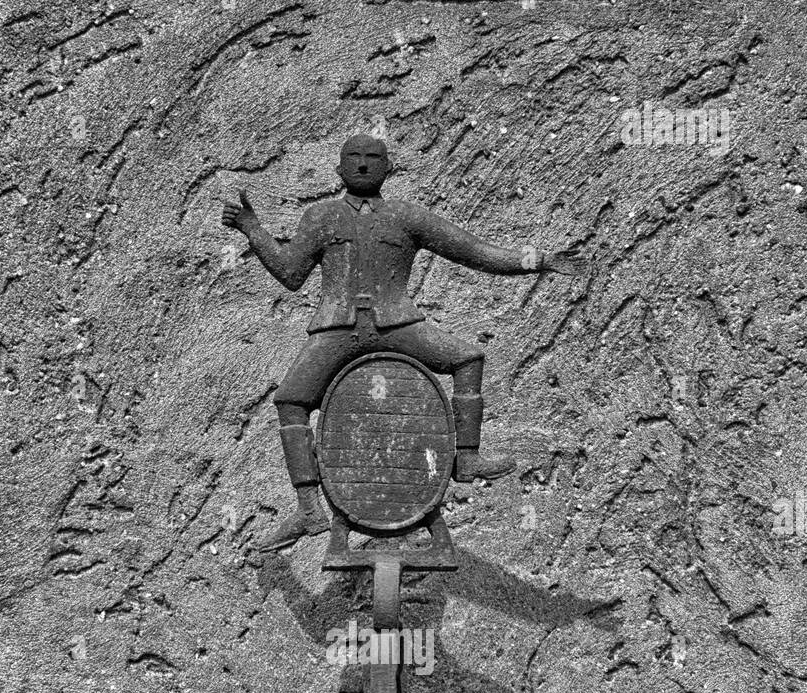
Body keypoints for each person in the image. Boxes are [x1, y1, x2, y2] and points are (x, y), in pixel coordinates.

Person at [223, 134, 585, 551]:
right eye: (353, 159)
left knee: (468, 358)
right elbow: (291, 273)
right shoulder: (320, 216)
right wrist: (253, 230)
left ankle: (465, 459)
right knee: (290, 399)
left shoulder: (407, 217)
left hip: (396, 324)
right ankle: (309, 510)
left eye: (372, 158)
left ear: (388, 168)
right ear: (339, 169)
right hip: (336, 328)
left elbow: (475, 252)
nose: (362, 165)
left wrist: (539, 260)